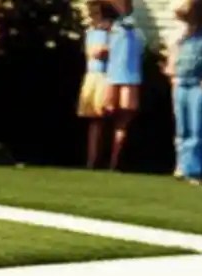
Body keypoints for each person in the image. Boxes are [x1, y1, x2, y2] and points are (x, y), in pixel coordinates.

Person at [165, 0, 202, 185]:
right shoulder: (183, 37)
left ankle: (196, 170)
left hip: (198, 84)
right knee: (183, 128)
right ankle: (184, 166)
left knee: (197, 128)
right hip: (181, 82)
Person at [104, 0, 146, 170]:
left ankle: (117, 159)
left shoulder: (132, 27)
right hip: (114, 74)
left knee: (124, 117)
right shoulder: (111, 27)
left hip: (128, 76)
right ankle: (108, 157)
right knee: (108, 113)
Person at [78, 1, 117, 168]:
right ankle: (92, 159)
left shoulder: (112, 32)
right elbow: (90, 52)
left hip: (105, 76)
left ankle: (105, 158)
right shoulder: (91, 32)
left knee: (103, 116)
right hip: (92, 75)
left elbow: (106, 52)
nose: (93, 17)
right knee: (94, 118)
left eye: (96, 13)